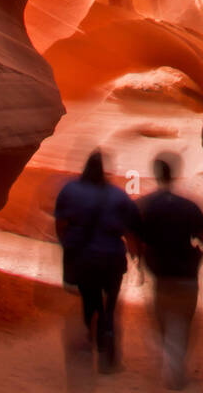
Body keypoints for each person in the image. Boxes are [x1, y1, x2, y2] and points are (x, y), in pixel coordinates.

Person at [54, 149, 141, 374]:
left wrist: (67, 245)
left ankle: (89, 340)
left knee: (90, 301)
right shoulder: (118, 195)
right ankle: (108, 347)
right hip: (112, 258)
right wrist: (136, 256)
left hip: (84, 259)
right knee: (110, 305)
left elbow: (61, 224)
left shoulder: (70, 190)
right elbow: (131, 230)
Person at [135, 154, 203, 390]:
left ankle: (169, 366)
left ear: (156, 175)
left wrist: (142, 264)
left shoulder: (145, 205)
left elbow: (137, 240)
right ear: (173, 174)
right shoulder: (189, 206)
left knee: (163, 323)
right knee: (184, 323)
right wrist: (197, 261)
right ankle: (176, 370)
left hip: (161, 275)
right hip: (187, 275)